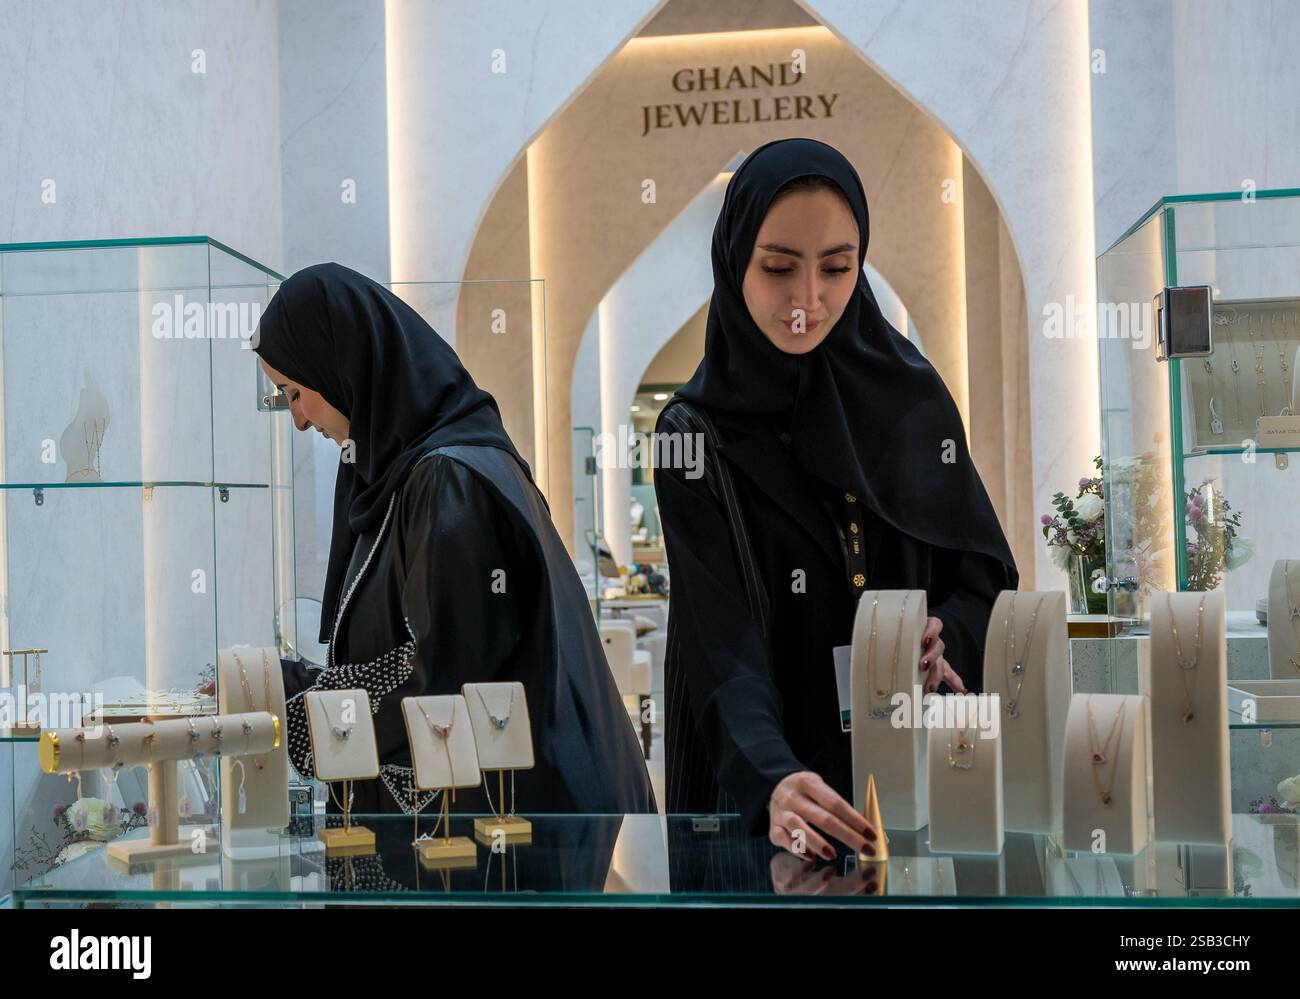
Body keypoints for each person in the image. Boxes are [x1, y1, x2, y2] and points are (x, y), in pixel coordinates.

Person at [655, 137, 1018, 862]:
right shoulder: (691, 435)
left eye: (838, 268)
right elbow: (721, 643)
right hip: (764, 792)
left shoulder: (909, 401)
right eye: (778, 268)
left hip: (912, 782)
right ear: (734, 262)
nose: (808, 300)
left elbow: (984, 581)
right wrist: (773, 778)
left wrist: (947, 631)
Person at [253, 263, 656, 817]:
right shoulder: (416, 472)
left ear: (340, 365)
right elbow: (415, 657)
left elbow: (440, 688)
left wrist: (289, 712)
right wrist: (286, 682)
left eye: (295, 393)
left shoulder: (447, 479)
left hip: (525, 836)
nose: (297, 419)